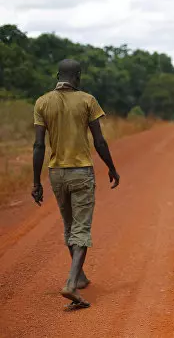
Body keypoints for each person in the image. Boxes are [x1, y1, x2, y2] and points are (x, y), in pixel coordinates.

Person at [31, 59, 120, 309]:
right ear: (78, 77)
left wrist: (35, 182)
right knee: (81, 228)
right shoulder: (87, 100)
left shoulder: (42, 102)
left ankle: (79, 277)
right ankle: (71, 283)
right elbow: (99, 141)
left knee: (69, 225)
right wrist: (111, 168)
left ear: (58, 75)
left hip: (56, 173)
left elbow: (38, 145)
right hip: (81, 172)